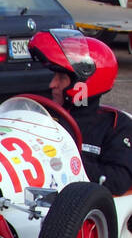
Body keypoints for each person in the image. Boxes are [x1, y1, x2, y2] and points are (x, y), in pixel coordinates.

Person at [29, 28, 132, 195]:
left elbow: (118, 181)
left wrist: (64, 160)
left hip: (79, 213)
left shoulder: (116, 126)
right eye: (55, 76)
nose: (52, 84)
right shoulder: (44, 116)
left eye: (61, 78)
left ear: (83, 83)